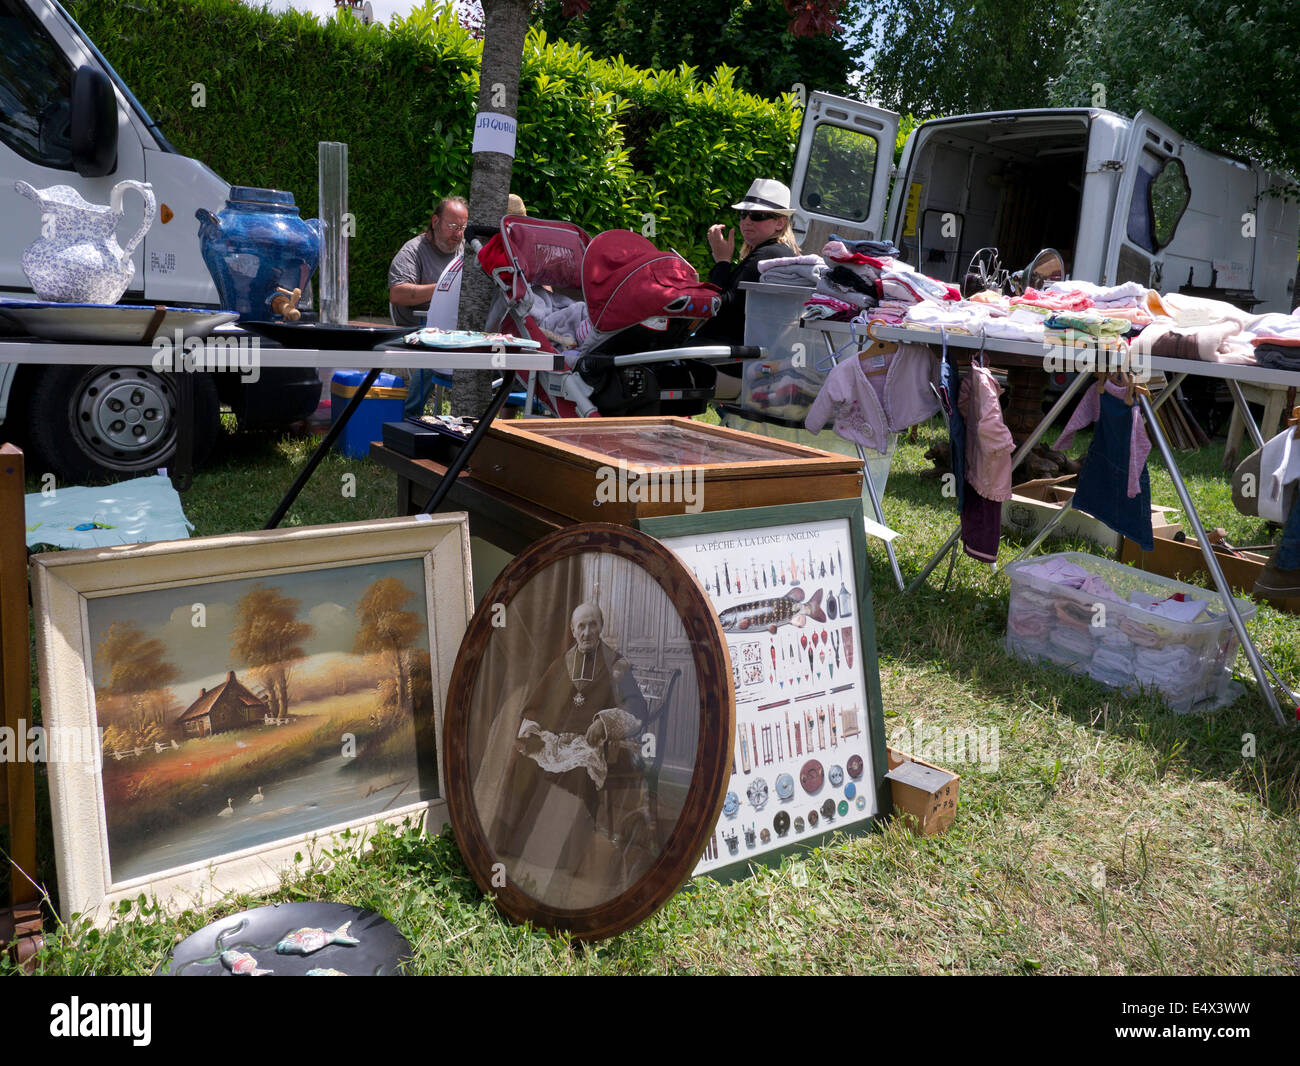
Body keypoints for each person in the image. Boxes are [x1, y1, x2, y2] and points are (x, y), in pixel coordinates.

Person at [490, 599, 657, 908]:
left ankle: (564, 858)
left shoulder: (617, 666)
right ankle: (518, 848)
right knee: (524, 762)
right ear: (572, 630)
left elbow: (637, 709)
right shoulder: (562, 663)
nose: (587, 632)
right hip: (558, 740)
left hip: (594, 747)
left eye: (593, 624)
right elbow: (537, 704)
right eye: (581, 626)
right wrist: (532, 729)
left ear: (601, 627)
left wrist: (605, 722)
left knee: (579, 771)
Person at [692, 177, 801, 347]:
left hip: (729, 353)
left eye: (758, 215)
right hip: (738, 350)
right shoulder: (778, 252)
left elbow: (716, 306)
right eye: (743, 214)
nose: (747, 221)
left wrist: (722, 261)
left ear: (780, 223)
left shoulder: (768, 255)